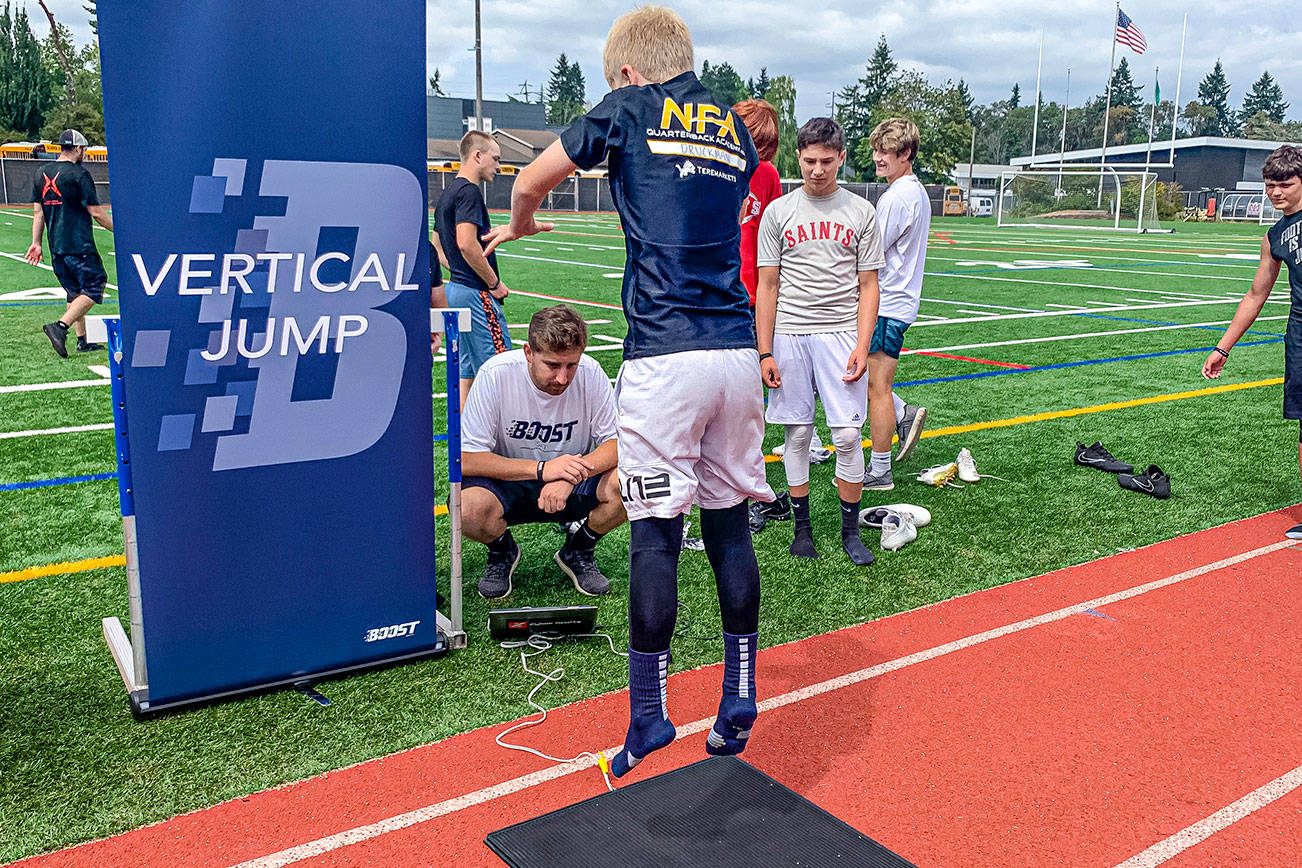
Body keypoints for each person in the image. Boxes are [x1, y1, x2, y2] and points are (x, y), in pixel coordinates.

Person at [483, 5, 774, 777]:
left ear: (626, 71)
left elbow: (531, 178)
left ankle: (649, 714)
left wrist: (523, 224)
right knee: (731, 530)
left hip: (667, 358)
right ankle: (739, 692)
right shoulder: (733, 127)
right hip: (738, 354)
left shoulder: (629, 104)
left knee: (655, 535)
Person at [755, 117, 882, 566]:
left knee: (847, 435)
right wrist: (765, 349)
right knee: (798, 432)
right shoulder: (778, 212)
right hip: (789, 333)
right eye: (809, 160)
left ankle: (850, 529)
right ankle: (802, 528)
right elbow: (767, 285)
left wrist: (863, 344)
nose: (817, 170)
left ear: (842, 158)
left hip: (840, 334)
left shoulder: (861, 212)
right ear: (798, 157)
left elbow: (869, 285)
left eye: (827, 161)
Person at [460, 305, 626, 598]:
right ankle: (502, 551)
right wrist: (542, 469)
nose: (563, 378)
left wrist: (570, 476)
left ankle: (579, 548)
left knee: (630, 485)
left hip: (573, 479)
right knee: (468, 508)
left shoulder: (591, 372)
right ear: (528, 353)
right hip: (510, 480)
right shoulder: (495, 374)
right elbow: (466, 459)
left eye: (571, 365)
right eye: (552, 365)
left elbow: (618, 444)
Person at [1203, 144, 1302, 539]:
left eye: (1286, 185)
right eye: (1270, 185)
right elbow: (1256, 294)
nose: (1276, 193)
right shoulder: (1274, 236)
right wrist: (1222, 347)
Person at [862, 117, 931, 490]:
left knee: (877, 387)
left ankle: (880, 468)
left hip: (886, 304)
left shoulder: (898, 197)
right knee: (862, 378)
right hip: (894, 303)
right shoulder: (913, 192)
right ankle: (903, 413)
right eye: (876, 149)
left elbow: (870, 252)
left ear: (906, 154)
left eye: (885, 151)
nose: (878, 157)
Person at [436, 131, 511, 401]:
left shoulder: (448, 194)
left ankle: (464, 438)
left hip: (456, 288)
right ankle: (496, 441)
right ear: (477, 156)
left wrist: (457, 270)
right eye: (495, 158)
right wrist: (494, 283)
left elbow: (438, 246)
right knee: (501, 371)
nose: (498, 166)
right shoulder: (469, 192)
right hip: (475, 292)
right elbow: (467, 243)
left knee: (467, 370)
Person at [28, 129, 113, 358]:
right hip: (78, 243)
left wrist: (36, 243)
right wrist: (120, 231)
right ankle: (60, 327)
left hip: (56, 244)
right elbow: (96, 212)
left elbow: (38, 213)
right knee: (95, 283)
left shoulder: (41, 173)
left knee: (74, 292)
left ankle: (82, 341)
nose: (83, 153)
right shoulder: (79, 174)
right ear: (77, 148)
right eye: (83, 149)